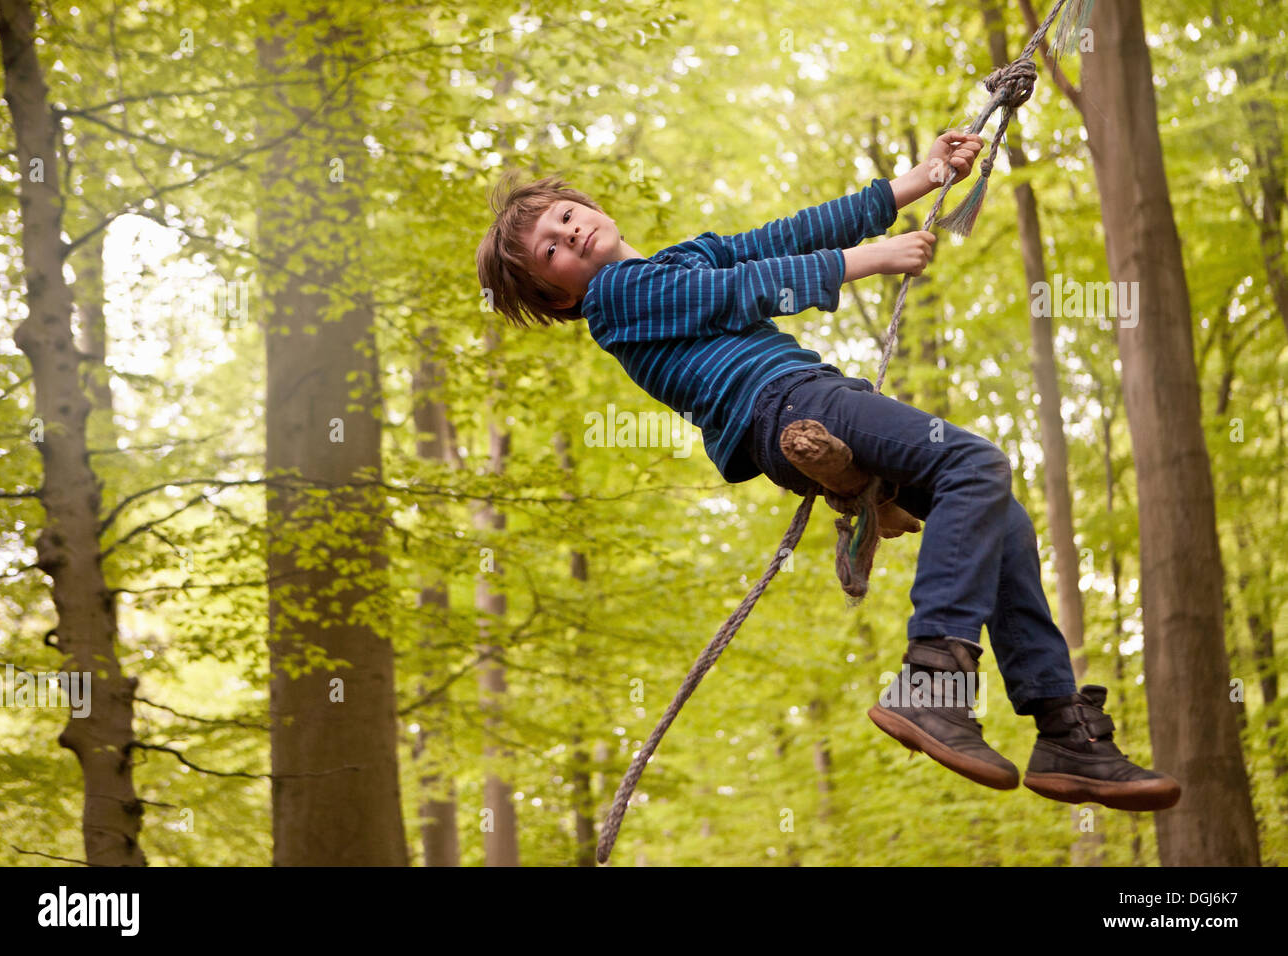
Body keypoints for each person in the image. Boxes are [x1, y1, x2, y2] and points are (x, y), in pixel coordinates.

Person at [474, 131, 1180, 812]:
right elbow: (742, 290)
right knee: (974, 460)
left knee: (999, 513)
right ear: (560, 296)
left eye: (566, 218)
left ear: (589, 204)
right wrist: (869, 260)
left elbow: (790, 234)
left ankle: (1062, 728)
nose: (570, 237)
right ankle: (933, 682)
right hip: (785, 406)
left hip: (811, 399)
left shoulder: (681, 260)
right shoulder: (616, 299)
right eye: (552, 251)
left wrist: (922, 180)